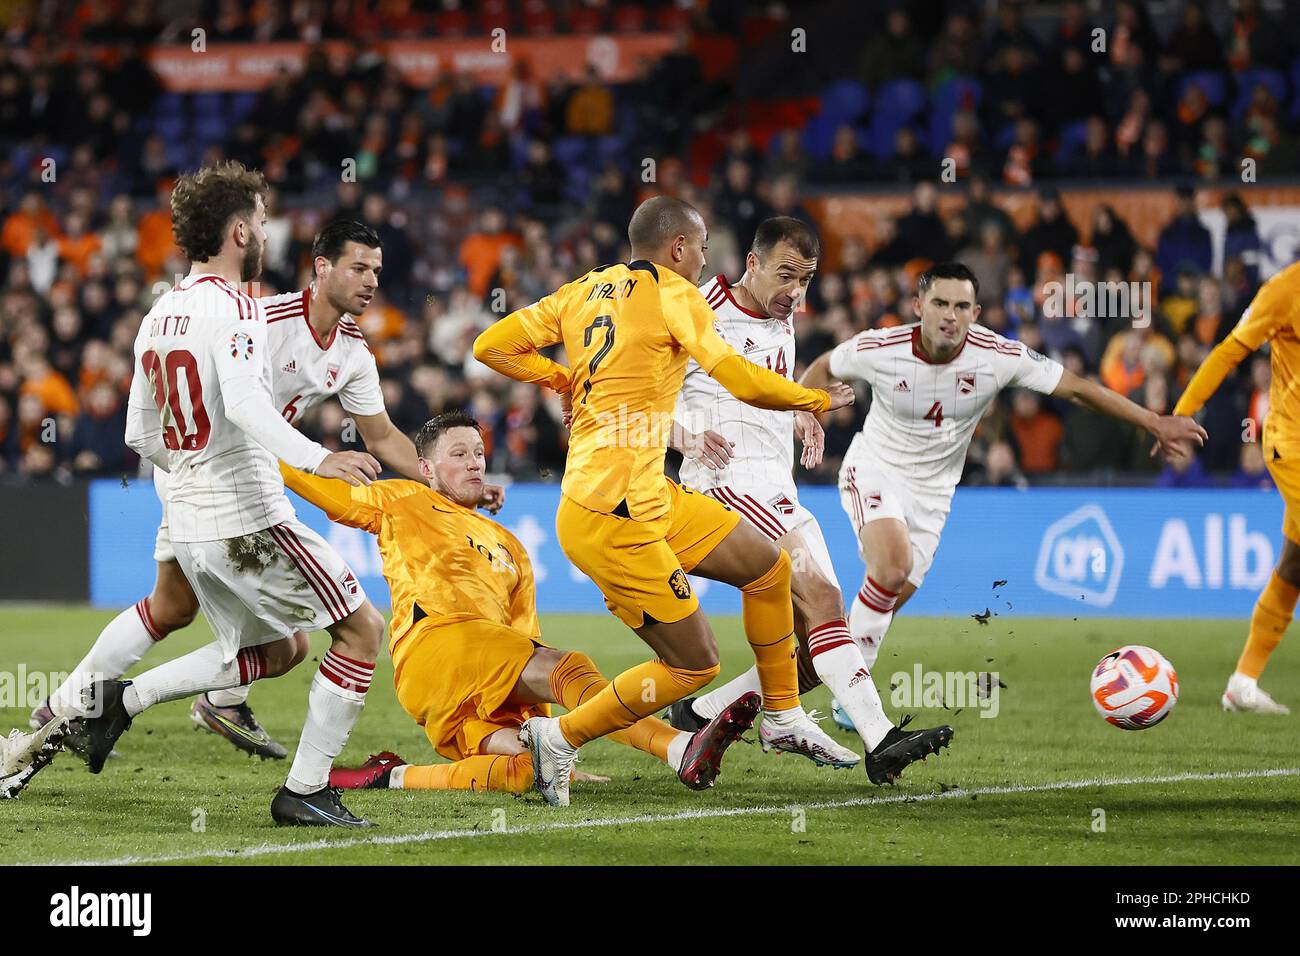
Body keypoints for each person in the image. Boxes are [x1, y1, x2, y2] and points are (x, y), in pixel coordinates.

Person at [31, 219, 505, 761]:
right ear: (321, 268)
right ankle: (217, 707)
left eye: (376, 269)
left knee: (171, 607)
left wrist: (443, 483)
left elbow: (382, 436)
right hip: (209, 474)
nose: (371, 280)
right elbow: (236, 409)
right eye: (358, 267)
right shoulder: (262, 319)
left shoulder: (351, 351)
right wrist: (318, 458)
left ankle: (68, 708)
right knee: (316, 634)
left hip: (229, 477)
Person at [14, 163, 388, 828]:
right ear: (240, 230)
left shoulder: (159, 311)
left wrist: (189, 472)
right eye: (266, 219)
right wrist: (319, 458)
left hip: (188, 506)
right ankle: (303, 790)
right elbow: (246, 406)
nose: (271, 231)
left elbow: (139, 431)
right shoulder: (238, 305)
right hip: (244, 511)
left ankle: (87, 713)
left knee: (267, 644)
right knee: (360, 632)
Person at [472, 196, 856, 807]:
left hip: (645, 494)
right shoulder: (677, 296)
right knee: (695, 664)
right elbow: (736, 377)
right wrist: (813, 402)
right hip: (612, 516)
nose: (707, 261)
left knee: (767, 568)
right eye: (703, 248)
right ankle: (559, 739)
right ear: (678, 247)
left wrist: (562, 378)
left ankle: (782, 715)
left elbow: (490, 345)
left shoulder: (584, 290)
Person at [283, 411, 759, 795]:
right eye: (458, 454)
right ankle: (676, 747)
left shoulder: (509, 543)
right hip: (435, 644)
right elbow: (331, 494)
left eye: (478, 453)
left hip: (486, 663)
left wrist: (538, 733)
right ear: (425, 468)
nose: (474, 463)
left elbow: (525, 640)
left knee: (525, 771)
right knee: (569, 668)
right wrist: (269, 459)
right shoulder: (402, 498)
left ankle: (387, 775)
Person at [799, 262, 1206, 674]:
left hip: (934, 493)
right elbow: (824, 366)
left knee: (885, 598)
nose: (949, 315)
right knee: (890, 567)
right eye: (939, 303)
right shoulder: (881, 348)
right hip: (875, 467)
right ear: (918, 305)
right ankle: (856, 693)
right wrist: (807, 410)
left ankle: (801, 673)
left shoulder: (997, 356)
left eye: (961, 306)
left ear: (975, 314)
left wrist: (1154, 421)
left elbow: (1079, 390)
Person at [665, 216, 954, 784]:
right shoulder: (698, 307)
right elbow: (647, 389)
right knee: (821, 594)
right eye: (786, 275)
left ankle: (701, 711)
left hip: (776, 486)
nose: (796, 291)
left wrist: (800, 409)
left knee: (818, 640)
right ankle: (881, 741)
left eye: (808, 278)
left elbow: (765, 377)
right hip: (724, 483)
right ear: (752, 264)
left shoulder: (782, 314)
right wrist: (686, 436)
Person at [1171, 261, 1300, 714]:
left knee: (1295, 565)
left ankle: (1242, 683)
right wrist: (1182, 412)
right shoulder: (1284, 291)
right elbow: (1229, 352)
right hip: (1293, 443)